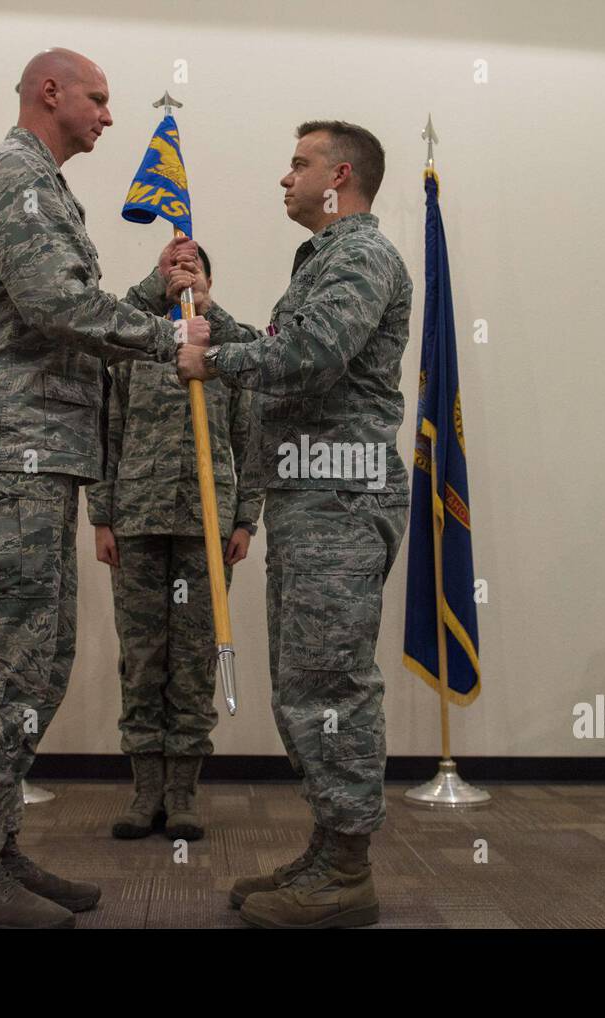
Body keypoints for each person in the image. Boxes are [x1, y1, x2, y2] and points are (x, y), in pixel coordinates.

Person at [0, 47, 207, 930]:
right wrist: (168, 339)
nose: (109, 116)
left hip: (42, 457)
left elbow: (61, 313)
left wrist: (151, 296)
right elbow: (54, 304)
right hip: (9, 453)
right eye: (98, 98)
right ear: (50, 92)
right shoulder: (12, 174)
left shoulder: (43, 184)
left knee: (37, 663)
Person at [176, 120, 412, 929]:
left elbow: (314, 355)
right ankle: (329, 845)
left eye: (299, 163)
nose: (286, 177)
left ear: (339, 176)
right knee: (307, 678)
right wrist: (218, 320)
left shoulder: (360, 254)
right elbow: (288, 346)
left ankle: (348, 870)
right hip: (313, 496)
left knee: (332, 680)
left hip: (342, 497)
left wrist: (215, 358)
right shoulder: (326, 257)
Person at [90, 246, 263, 842]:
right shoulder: (134, 343)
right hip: (136, 524)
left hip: (204, 527)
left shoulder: (227, 346)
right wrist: (102, 516)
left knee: (191, 663)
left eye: (194, 273)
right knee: (142, 661)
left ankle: (183, 793)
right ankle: (144, 793)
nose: (183, 280)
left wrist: (246, 519)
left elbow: (250, 434)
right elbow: (106, 432)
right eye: (175, 272)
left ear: (212, 280)